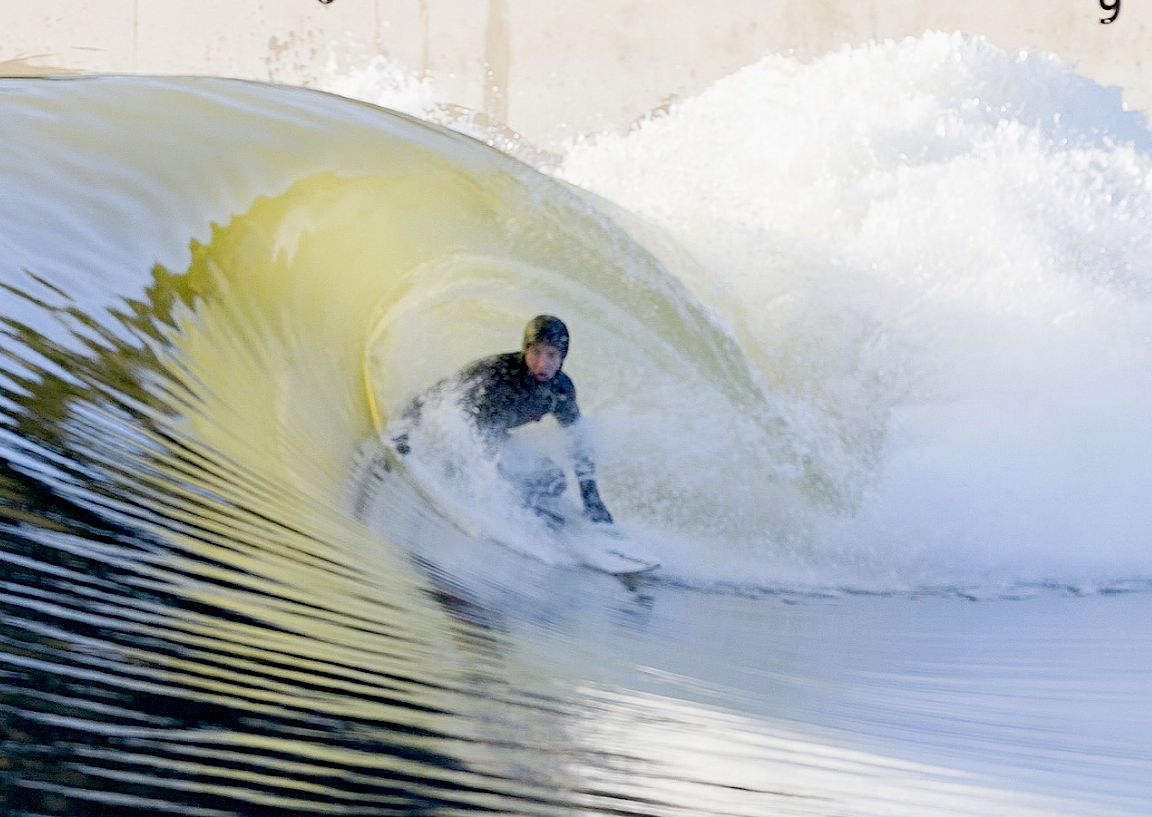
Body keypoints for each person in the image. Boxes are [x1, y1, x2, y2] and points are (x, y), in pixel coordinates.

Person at [391, 315, 613, 528]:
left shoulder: (560, 391)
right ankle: (513, 511)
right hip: (461, 435)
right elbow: (438, 394)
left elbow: (577, 440)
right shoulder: (496, 370)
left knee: (554, 481)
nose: (542, 363)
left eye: (551, 355)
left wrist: (590, 495)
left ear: (562, 357)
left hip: (496, 438)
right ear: (525, 349)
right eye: (535, 352)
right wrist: (401, 431)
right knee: (497, 472)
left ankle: (529, 511)